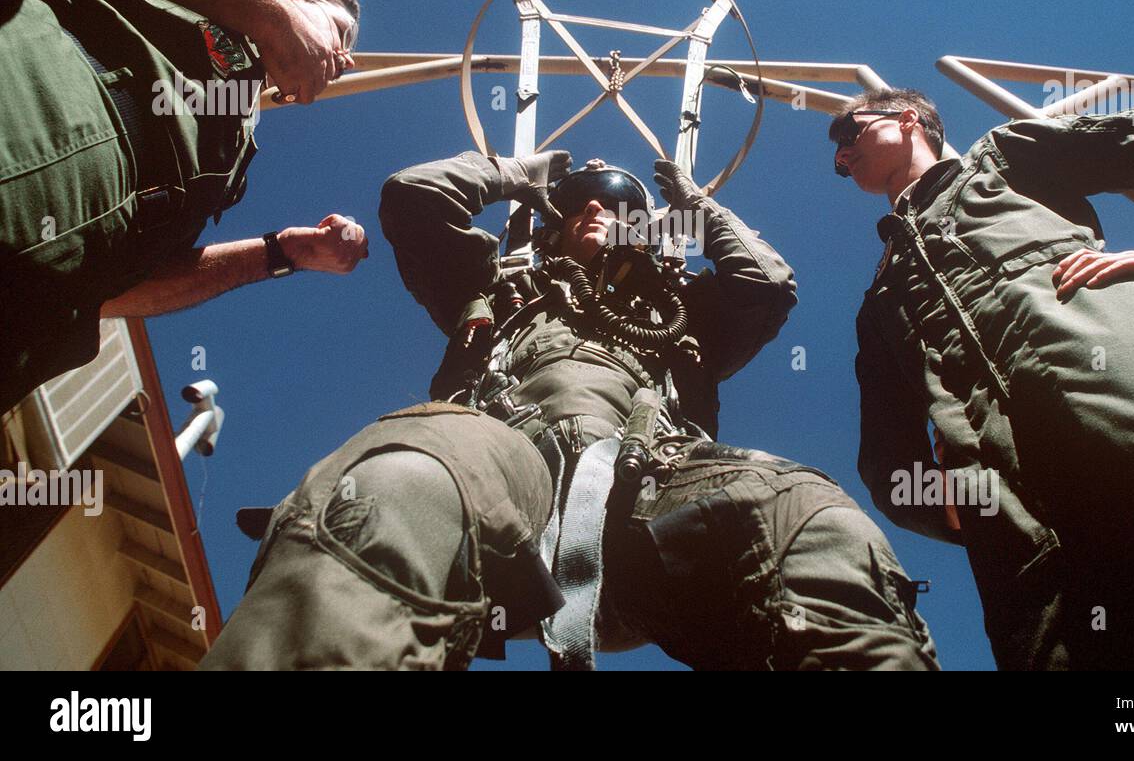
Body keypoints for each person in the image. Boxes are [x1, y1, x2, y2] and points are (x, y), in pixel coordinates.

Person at [201, 149, 941, 670]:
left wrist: (696, 209)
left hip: (653, 490)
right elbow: (413, 197)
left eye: (617, 210)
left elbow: (768, 285)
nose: (596, 211)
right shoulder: (495, 281)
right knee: (398, 482)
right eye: (581, 205)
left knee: (810, 516)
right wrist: (521, 177)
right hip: (501, 475)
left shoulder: (680, 309)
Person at [831, 87, 1134, 670]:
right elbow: (886, 461)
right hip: (1042, 550)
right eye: (836, 156)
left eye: (847, 134)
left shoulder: (1003, 159)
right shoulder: (879, 306)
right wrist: (963, 505)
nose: (841, 157)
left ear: (907, 120)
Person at [0, 0, 367, 413]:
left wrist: (281, 253)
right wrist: (271, 18)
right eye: (341, 34)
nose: (344, 60)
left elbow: (120, 292)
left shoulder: (231, 163)